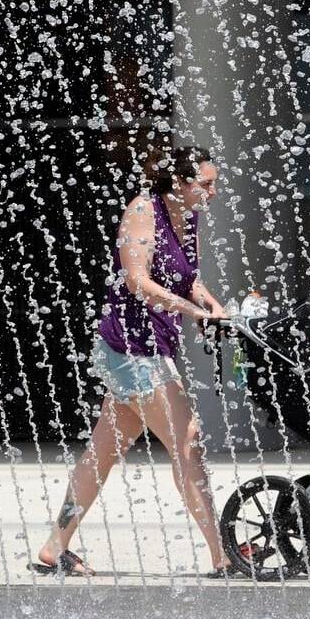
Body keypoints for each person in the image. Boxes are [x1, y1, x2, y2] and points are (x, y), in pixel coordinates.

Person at [30, 146, 234, 578]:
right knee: (187, 441)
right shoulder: (143, 211)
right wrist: (192, 312)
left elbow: (189, 277)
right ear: (179, 182)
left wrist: (211, 305)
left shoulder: (190, 216)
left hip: (152, 347)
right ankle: (223, 555)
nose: (213, 192)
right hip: (130, 350)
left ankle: (55, 546)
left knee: (102, 453)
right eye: (206, 184)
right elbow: (137, 280)